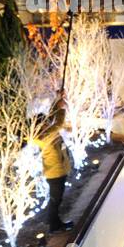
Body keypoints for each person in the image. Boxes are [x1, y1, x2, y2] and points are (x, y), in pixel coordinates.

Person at [33, 96, 74, 235]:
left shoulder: (45, 133)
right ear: (41, 125)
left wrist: (57, 101)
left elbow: (53, 120)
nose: (48, 123)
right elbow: (58, 123)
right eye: (45, 122)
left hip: (57, 171)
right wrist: (61, 108)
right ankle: (53, 226)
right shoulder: (45, 137)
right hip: (55, 173)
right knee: (55, 200)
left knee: (56, 199)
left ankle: (54, 223)